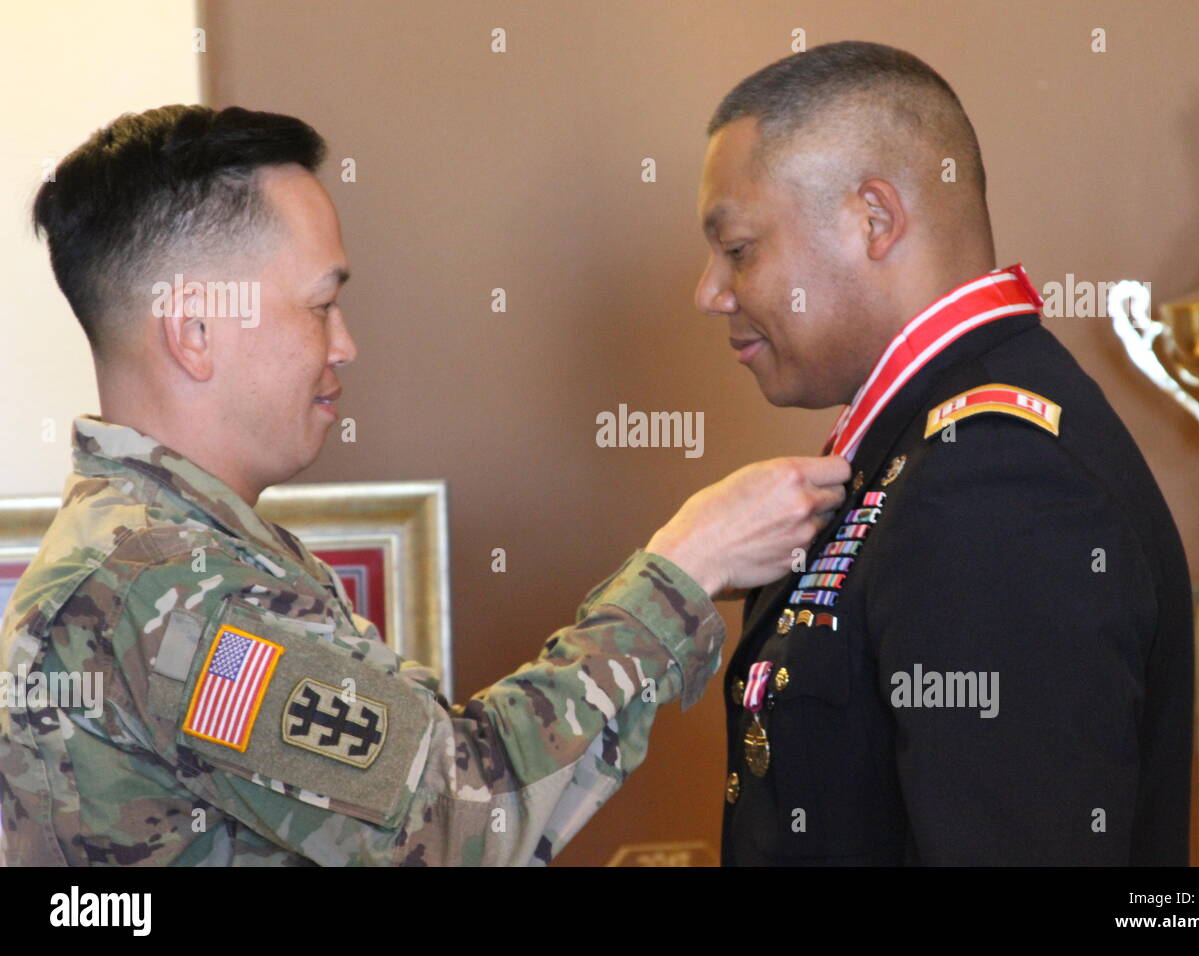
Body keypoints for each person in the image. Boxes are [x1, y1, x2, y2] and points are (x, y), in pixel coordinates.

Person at [0, 105, 850, 866]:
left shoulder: (149, 556)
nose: (345, 346)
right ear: (193, 330)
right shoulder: (168, 592)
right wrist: (681, 570)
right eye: (319, 305)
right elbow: (456, 820)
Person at [695, 41, 1193, 865]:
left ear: (874, 219)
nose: (709, 291)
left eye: (738, 248)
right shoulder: (923, 446)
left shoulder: (991, 474)